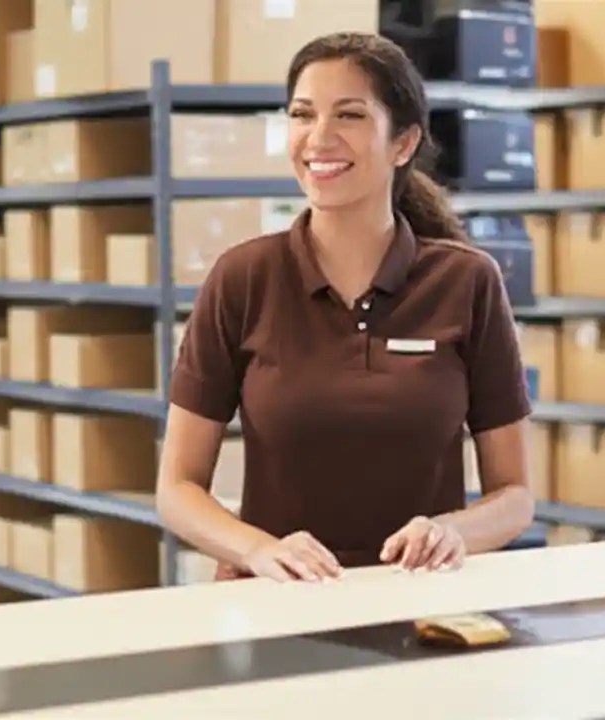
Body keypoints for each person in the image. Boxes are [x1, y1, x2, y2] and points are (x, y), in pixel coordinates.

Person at [154, 31, 535, 583]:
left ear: (403, 143)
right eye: (302, 115)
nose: (319, 138)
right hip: (275, 607)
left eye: (350, 116)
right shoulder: (242, 278)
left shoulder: (467, 282)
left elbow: (515, 494)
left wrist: (455, 532)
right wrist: (257, 549)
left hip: (419, 603)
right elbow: (178, 488)